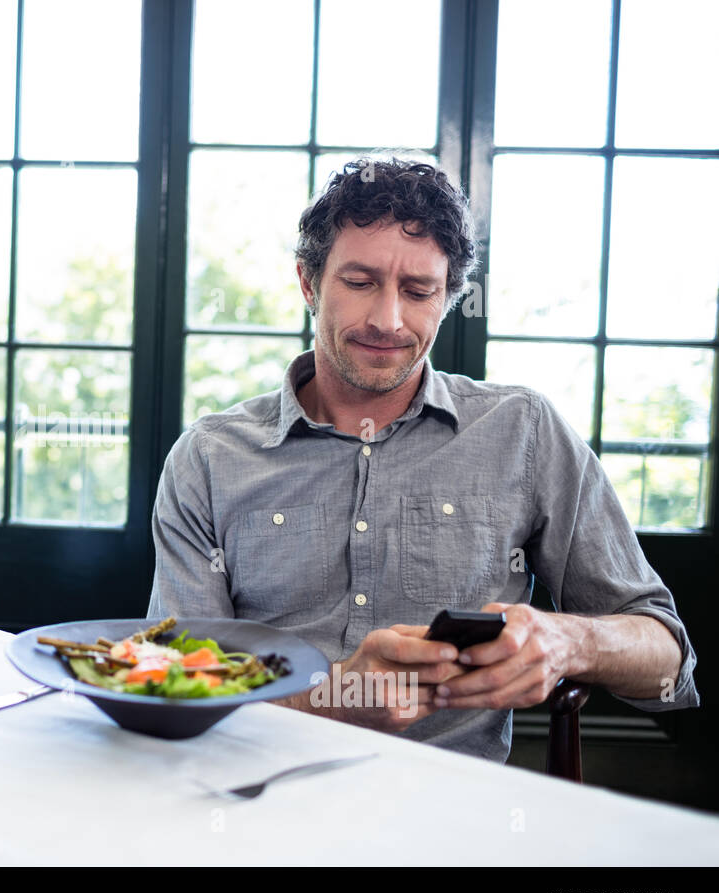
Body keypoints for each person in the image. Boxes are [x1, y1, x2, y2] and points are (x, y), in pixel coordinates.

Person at [146, 156, 699, 761]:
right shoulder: (207, 458)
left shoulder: (524, 431)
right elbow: (177, 695)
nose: (388, 320)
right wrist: (331, 698)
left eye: (418, 292)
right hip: (244, 797)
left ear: (449, 297)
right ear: (308, 281)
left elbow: (666, 659)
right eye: (359, 282)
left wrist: (571, 640)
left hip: (454, 822)